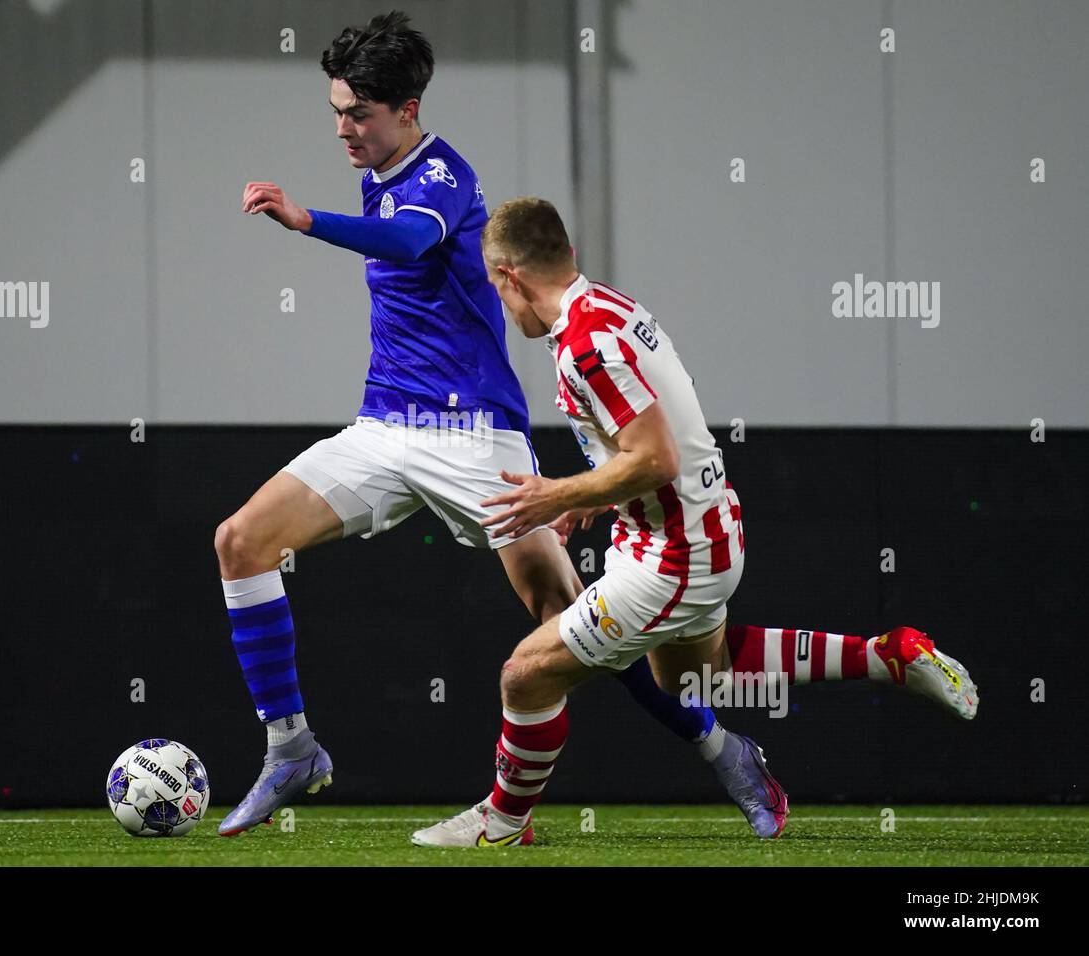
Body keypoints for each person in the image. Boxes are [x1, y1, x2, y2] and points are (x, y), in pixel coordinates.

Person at [217, 11, 785, 838]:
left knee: (566, 620)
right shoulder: (375, 167)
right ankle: (291, 746)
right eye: (337, 109)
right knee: (240, 541)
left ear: (407, 109)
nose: (344, 127)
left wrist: (307, 222)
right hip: (384, 427)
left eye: (360, 113)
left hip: (474, 435)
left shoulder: (444, 175)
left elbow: (411, 244)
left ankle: (720, 747)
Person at [411, 196, 976, 847]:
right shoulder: (610, 309)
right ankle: (890, 656)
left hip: (673, 556)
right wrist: (594, 495)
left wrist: (555, 495)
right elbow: (651, 441)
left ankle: (504, 823)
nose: (503, 308)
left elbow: (654, 456)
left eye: (496, 287)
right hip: (700, 526)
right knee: (688, 674)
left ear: (510, 277)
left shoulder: (585, 346)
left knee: (527, 674)